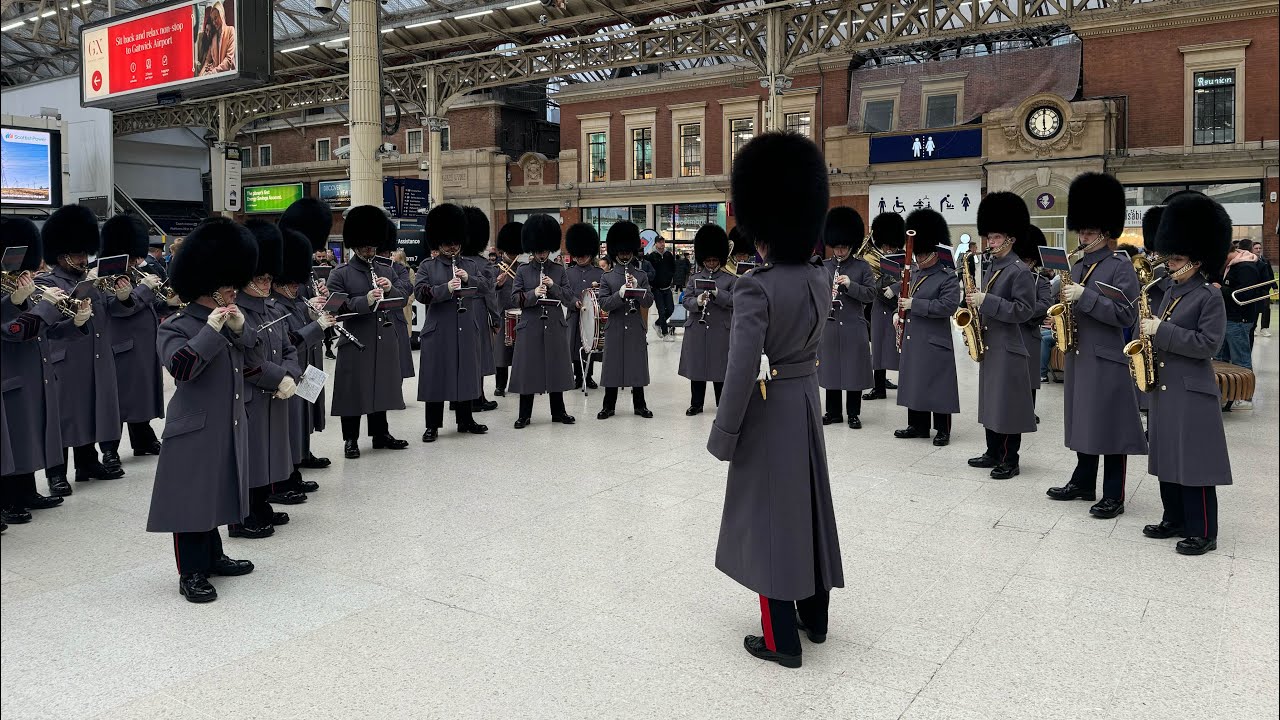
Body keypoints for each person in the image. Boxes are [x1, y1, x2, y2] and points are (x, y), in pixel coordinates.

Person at [707, 132, 843, 670]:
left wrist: (725, 434)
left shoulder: (754, 287)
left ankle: (781, 637)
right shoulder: (818, 277)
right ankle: (816, 617)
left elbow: (740, 369)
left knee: (768, 522)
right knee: (808, 511)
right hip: (806, 403)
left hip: (768, 413)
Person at [146, 217, 258, 603]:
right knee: (191, 500)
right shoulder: (175, 325)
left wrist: (241, 330)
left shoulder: (231, 318)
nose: (234, 291)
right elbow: (182, 368)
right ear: (209, 287)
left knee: (216, 491)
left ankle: (213, 556)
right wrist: (212, 332)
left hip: (226, 421)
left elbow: (254, 354)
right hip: (193, 425)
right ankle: (190, 571)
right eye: (228, 286)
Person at [1044, 173, 1147, 517]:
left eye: (1089, 232)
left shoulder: (1120, 268)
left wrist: (1086, 296)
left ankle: (1114, 494)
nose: (1082, 237)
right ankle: (1084, 481)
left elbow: (1124, 315)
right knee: (1083, 421)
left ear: (1105, 232)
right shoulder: (1079, 263)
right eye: (1081, 231)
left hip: (1107, 358)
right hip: (1079, 354)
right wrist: (1054, 286)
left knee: (1112, 426)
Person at [1140, 192, 1233, 555]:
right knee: (1167, 457)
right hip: (1165, 387)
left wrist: (1159, 331)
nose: (1169, 264)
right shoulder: (1169, 293)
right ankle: (1173, 517)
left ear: (1195, 260)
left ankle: (1204, 531)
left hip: (1192, 391)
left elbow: (1207, 344)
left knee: (1194, 462)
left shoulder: (1208, 297)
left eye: (1176, 259)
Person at [34, 205, 127, 494]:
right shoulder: (45, 283)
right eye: (78, 255)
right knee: (63, 418)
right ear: (61, 256)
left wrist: (123, 295)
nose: (83, 259)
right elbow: (46, 321)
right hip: (65, 357)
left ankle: (87, 462)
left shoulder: (89, 280)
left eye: (85, 253)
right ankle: (55, 472)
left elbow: (109, 311)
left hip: (95, 356)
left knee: (89, 409)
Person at [1, 216, 81, 524]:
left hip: (35, 372)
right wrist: (34, 304)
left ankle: (26, 490)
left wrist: (75, 320)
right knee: (14, 439)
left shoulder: (25, 287)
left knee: (31, 432)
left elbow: (48, 330)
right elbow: (16, 330)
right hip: (10, 374)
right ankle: (8, 499)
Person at [230, 220, 303, 539]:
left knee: (270, 452)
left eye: (268, 277)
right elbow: (246, 359)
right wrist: (279, 378)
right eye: (258, 277)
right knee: (250, 456)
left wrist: (291, 374)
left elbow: (289, 347)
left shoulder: (272, 310)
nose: (264, 282)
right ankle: (242, 514)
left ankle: (261, 504)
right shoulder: (237, 313)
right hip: (252, 396)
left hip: (276, 394)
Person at [326, 205, 409, 458]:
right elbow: (335, 308)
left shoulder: (386, 270)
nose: (370, 250)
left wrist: (390, 290)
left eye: (373, 246)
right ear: (355, 245)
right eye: (365, 246)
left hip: (383, 338)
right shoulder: (340, 273)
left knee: (380, 387)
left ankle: (380, 434)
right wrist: (366, 300)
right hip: (356, 340)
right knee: (352, 392)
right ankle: (350, 439)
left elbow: (403, 298)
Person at [967, 192, 1037, 480]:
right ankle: (992, 451)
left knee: (1007, 405)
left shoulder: (1019, 271)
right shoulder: (993, 266)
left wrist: (986, 302)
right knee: (991, 401)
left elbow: (1023, 310)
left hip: (1009, 347)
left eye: (995, 238)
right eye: (989, 238)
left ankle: (1010, 459)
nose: (990, 243)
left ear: (1010, 239)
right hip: (991, 345)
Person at [413, 204, 490, 441]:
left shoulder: (471, 265)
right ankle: (432, 425)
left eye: (455, 242)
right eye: (448, 243)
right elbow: (420, 293)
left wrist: (469, 280)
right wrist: (445, 289)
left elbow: (486, 288)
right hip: (439, 330)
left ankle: (465, 419)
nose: (453, 247)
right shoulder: (428, 266)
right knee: (436, 377)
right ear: (439, 243)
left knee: (465, 373)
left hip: (465, 327)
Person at [98, 215, 171, 460]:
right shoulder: (106, 274)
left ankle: (142, 437)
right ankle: (109, 449)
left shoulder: (133, 272)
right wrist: (145, 289)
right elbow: (120, 307)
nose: (137, 260)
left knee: (142, 394)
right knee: (118, 401)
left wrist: (168, 303)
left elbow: (150, 305)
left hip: (143, 346)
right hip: (120, 346)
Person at [272, 226, 332, 495]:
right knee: (293, 419)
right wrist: (317, 326)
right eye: (292, 284)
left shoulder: (296, 299)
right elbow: (290, 340)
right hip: (293, 368)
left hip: (309, 363)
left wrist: (313, 312)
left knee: (307, 414)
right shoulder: (276, 305)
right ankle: (291, 466)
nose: (297, 287)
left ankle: (303, 454)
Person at [893, 209, 960, 445]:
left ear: (934, 252)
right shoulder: (913, 274)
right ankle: (917, 425)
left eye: (922, 255)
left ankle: (943, 429)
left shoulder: (947, 276)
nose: (918, 259)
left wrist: (915, 304)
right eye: (917, 256)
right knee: (915, 381)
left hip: (934, 338)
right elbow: (905, 298)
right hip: (915, 336)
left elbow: (948, 306)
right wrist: (898, 312)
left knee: (939, 385)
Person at [508, 215, 577, 428]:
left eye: (545, 250)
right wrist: (533, 293)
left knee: (556, 369)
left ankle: (559, 412)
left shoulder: (558, 270)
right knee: (528, 371)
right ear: (532, 249)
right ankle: (524, 414)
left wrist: (553, 286)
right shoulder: (522, 270)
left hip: (554, 325)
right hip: (531, 325)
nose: (541, 254)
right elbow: (514, 298)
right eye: (538, 250)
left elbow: (568, 296)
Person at [816, 208, 875, 429]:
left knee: (853, 371)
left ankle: (853, 413)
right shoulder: (823, 266)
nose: (840, 251)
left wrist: (851, 285)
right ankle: (832, 412)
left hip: (853, 325)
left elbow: (870, 294)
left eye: (844, 247)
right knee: (831, 370)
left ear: (851, 245)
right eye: (837, 247)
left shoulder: (861, 267)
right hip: (829, 327)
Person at [597, 222, 655, 419]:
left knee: (637, 364)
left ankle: (640, 405)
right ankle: (608, 405)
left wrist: (639, 290)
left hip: (635, 326)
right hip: (615, 326)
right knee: (612, 365)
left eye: (627, 252)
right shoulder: (607, 278)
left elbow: (649, 301)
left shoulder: (641, 275)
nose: (624, 255)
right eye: (620, 252)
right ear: (615, 253)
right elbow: (604, 304)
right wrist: (619, 295)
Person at [678, 224, 735, 416]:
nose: (710, 263)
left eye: (714, 260)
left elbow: (735, 301)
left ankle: (723, 404)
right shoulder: (694, 278)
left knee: (720, 369)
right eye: (708, 260)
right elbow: (685, 300)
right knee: (698, 367)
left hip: (720, 328)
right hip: (698, 329)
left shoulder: (729, 279)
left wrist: (719, 294)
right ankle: (696, 403)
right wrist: (697, 302)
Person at [865, 212, 905, 401]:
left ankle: (906, 383)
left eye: (890, 245)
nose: (887, 248)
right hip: (879, 306)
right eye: (885, 245)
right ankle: (879, 386)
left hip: (898, 306)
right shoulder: (872, 257)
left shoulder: (904, 257)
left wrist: (895, 287)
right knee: (879, 346)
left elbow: (910, 277)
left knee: (901, 346)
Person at [461, 207, 498, 412]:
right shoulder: (483, 265)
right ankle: (478, 396)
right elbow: (490, 294)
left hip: (458, 311)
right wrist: (496, 319)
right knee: (480, 355)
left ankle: (459, 399)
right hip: (478, 310)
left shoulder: (455, 262)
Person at [1014, 225, 1052, 420]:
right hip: (1009, 332)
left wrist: (1021, 311)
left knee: (1029, 376)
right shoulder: (1008, 276)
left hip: (1028, 331)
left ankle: (1030, 410)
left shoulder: (1041, 281)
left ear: (1033, 261)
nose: (1023, 263)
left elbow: (1046, 304)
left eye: (1027, 260)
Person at [564, 222, 604, 391]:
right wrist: (574, 303)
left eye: (584, 254)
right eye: (578, 254)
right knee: (574, 346)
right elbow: (564, 294)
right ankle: (578, 376)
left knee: (590, 345)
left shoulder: (599, 273)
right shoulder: (567, 273)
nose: (580, 257)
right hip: (574, 315)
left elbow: (603, 294)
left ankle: (588, 375)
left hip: (591, 317)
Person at [378, 217, 416, 381]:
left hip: (396, 317)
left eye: (387, 253)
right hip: (375, 319)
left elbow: (407, 288)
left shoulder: (400, 268)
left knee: (398, 361)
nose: (385, 256)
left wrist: (389, 288)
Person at [491, 221, 523, 396]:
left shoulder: (523, 268)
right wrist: (497, 283)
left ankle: (518, 382)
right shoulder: (496, 268)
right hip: (503, 313)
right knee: (501, 353)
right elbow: (489, 289)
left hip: (520, 312)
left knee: (520, 351)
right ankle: (500, 384)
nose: (513, 254)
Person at [646, 235, 677, 339]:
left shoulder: (669, 255)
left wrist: (671, 278)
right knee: (661, 311)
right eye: (659, 242)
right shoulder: (651, 257)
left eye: (663, 242)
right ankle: (665, 333)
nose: (662, 244)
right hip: (656, 289)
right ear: (655, 244)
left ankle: (658, 323)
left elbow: (673, 268)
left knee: (670, 309)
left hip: (667, 288)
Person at [198, 2, 236, 76]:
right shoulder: (214, 37)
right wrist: (199, 77)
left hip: (228, 75)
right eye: (212, 20)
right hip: (215, 76)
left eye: (216, 18)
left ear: (221, 15)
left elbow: (228, 60)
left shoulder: (231, 30)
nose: (214, 22)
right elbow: (207, 61)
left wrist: (213, 72)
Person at [1252, 240, 1273, 337]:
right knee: (1255, 308)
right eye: (1256, 248)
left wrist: (1274, 286)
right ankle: (1254, 327)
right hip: (1254, 289)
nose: (1258, 250)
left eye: (1260, 248)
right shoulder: (1250, 260)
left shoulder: (1265, 261)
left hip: (1264, 289)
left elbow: (1270, 274)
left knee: (1266, 308)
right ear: (1252, 249)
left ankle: (1264, 328)